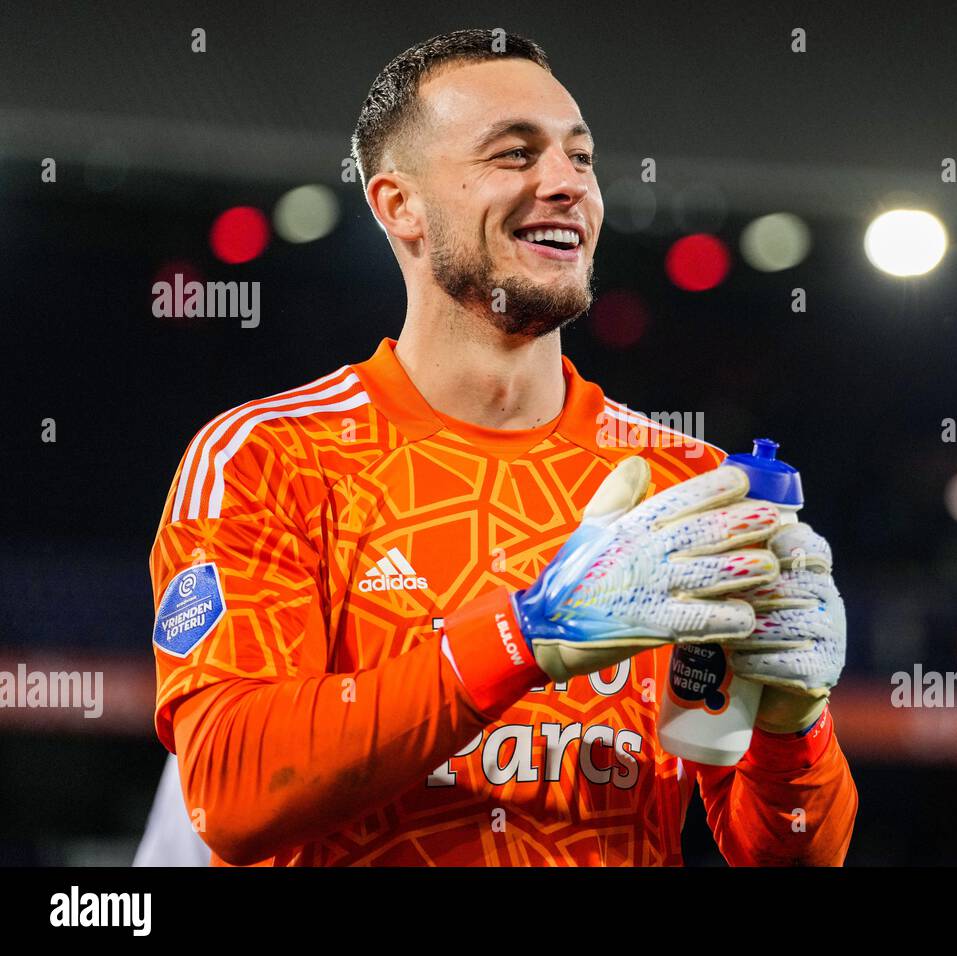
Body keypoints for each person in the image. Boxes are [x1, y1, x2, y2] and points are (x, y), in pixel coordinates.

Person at [147, 28, 856, 866]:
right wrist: (520, 639)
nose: (566, 184)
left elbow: (788, 856)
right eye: (514, 154)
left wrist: (792, 732)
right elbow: (226, 792)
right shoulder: (268, 459)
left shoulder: (691, 485)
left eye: (581, 158)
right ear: (397, 205)